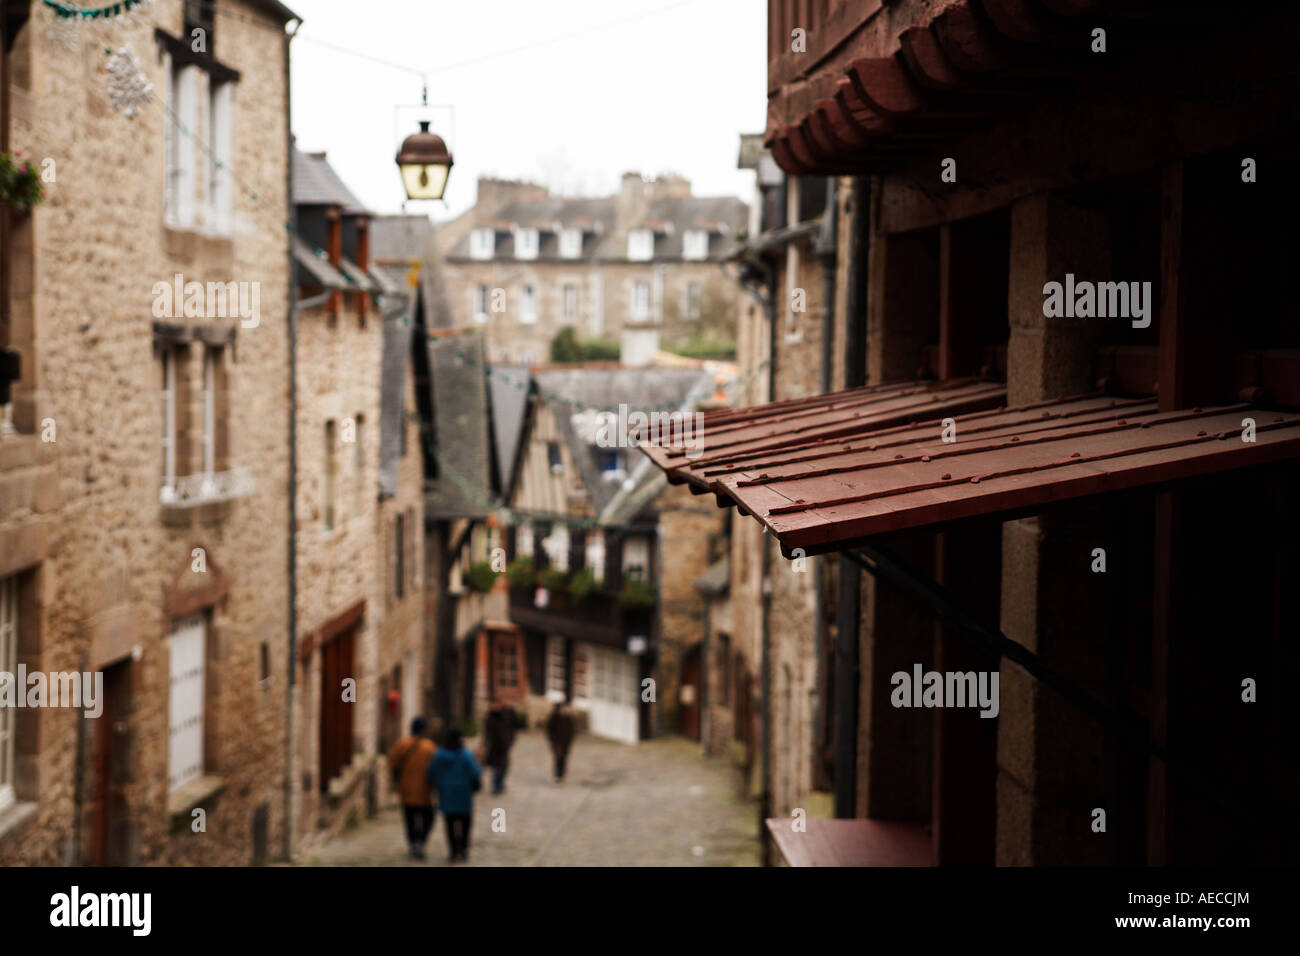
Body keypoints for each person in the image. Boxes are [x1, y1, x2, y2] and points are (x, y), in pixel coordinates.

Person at [427, 727, 482, 863]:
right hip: (464, 797)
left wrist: (439, 784)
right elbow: (475, 772)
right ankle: (463, 849)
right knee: (465, 824)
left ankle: (453, 851)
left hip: (447, 795)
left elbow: (431, 773)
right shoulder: (465, 755)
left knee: (450, 825)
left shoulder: (439, 755)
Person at [387, 716, 437, 860]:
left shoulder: (402, 744)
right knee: (428, 818)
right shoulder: (430, 747)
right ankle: (421, 841)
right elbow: (435, 767)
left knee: (409, 819)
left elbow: (393, 762)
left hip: (406, 790)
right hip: (425, 791)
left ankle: (413, 843)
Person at [481, 697, 517, 795]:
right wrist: (484, 744)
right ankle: (496, 787)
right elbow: (486, 732)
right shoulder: (490, 716)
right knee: (496, 768)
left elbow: (512, 728)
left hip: (504, 745)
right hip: (494, 746)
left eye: (497, 704)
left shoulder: (506, 715)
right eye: (494, 704)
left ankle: (500, 784)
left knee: (503, 767)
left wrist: (510, 741)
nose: (495, 706)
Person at [545, 700, 575, 783]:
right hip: (557, 742)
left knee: (564, 759)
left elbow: (572, 730)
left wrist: (570, 740)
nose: (563, 709)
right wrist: (552, 740)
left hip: (566, 743)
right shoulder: (554, 718)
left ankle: (562, 775)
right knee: (558, 758)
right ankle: (557, 775)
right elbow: (549, 730)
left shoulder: (568, 718)